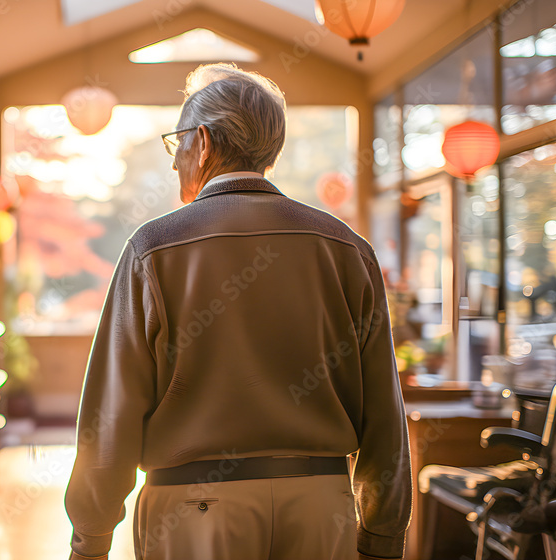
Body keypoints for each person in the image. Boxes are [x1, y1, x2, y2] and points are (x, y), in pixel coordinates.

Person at [64, 63, 411, 560]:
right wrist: (383, 536)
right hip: (321, 504)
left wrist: (90, 538)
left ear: (202, 142)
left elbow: (112, 408)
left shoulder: (154, 248)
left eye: (176, 142)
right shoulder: (347, 249)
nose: (174, 160)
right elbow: (384, 408)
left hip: (191, 508)